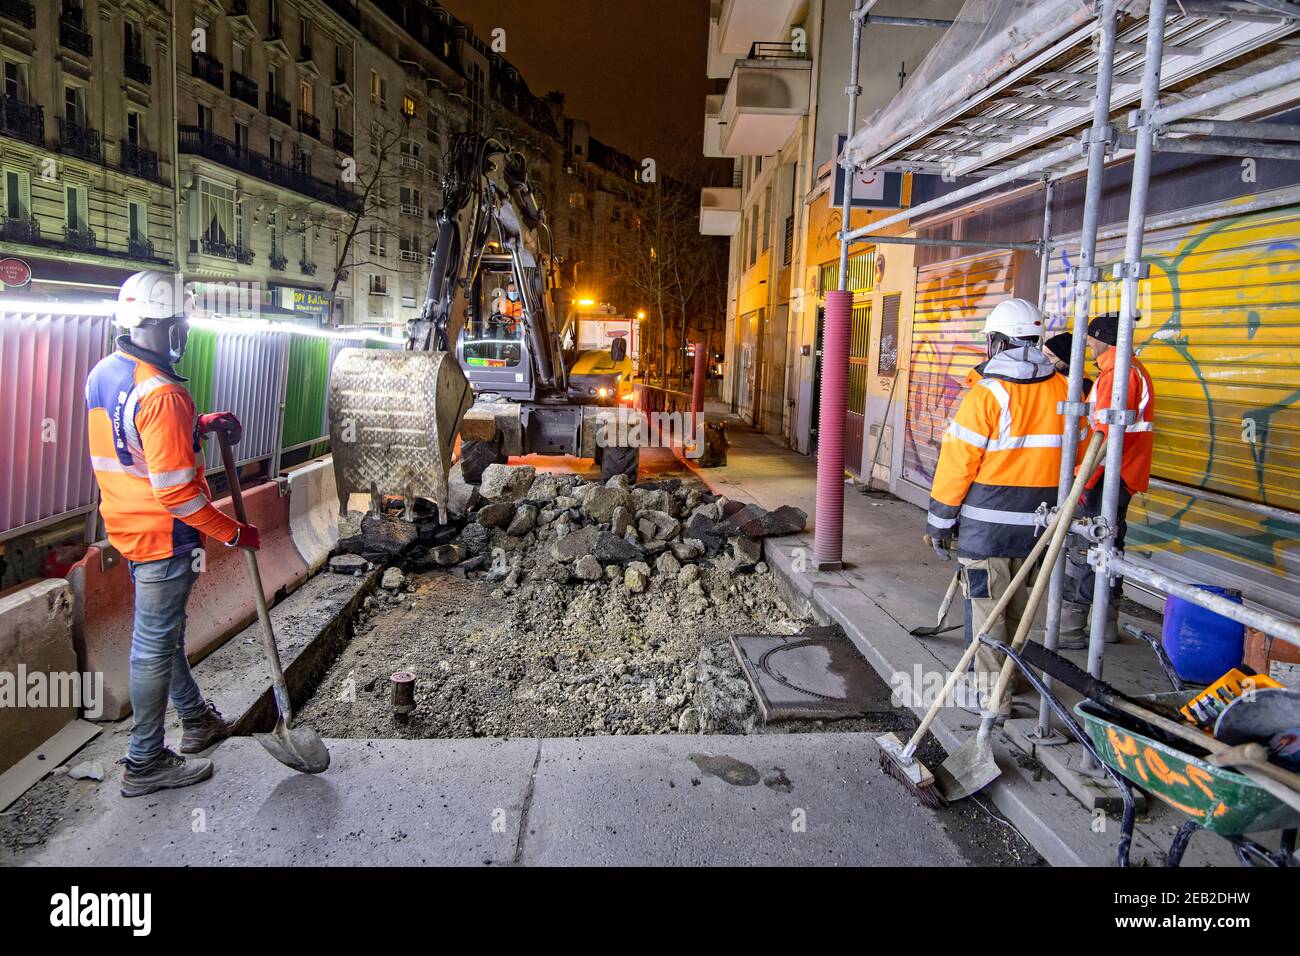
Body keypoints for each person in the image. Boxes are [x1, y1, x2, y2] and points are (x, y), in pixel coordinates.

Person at [85, 271, 259, 798]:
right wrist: (234, 534)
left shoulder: (106, 373)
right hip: (165, 537)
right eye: (174, 325)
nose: (180, 336)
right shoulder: (162, 394)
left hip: (127, 526)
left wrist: (198, 425)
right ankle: (144, 762)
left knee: (163, 638)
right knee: (155, 645)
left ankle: (197, 722)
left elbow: (131, 441)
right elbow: (180, 495)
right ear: (152, 327)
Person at [926, 298, 1067, 718]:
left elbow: (957, 466)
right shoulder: (1067, 390)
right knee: (1022, 611)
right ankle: (1013, 678)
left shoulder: (987, 394)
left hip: (986, 531)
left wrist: (939, 523)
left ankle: (991, 698)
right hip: (1041, 527)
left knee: (987, 612)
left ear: (999, 342)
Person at [1059, 313, 1155, 647]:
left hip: (1106, 477)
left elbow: (1105, 435)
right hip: (1117, 475)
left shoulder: (1118, 374)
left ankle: (1072, 629)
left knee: (1088, 549)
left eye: (1090, 336)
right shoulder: (1125, 370)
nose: (1086, 341)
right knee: (1109, 546)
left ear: (1104, 338)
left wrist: (1083, 482)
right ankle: (1106, 624)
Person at [1043, 332, 1093, 398]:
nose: (1045, 359)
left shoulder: (1082, 383)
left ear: (1066, 360)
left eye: (1051, 356)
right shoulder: (1048, 375)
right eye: (1043, 354)